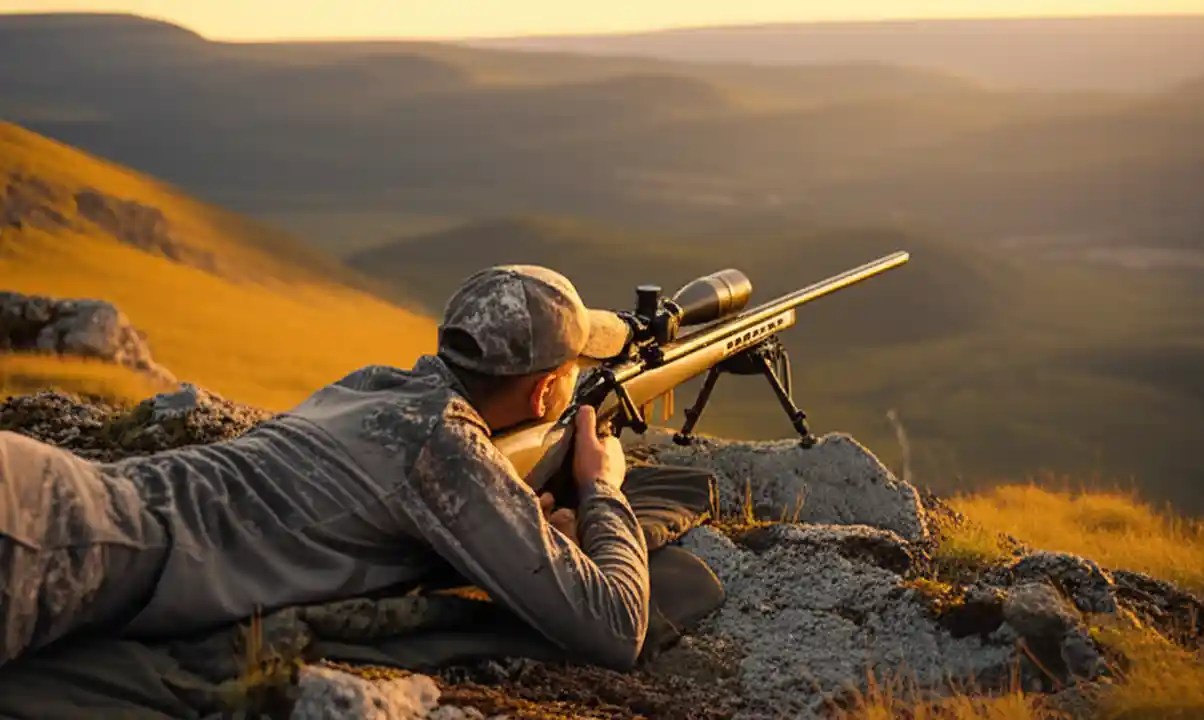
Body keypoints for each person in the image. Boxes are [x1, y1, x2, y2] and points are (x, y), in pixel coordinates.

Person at [0, 265, 717, 671]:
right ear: (545, 392)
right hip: (50, 542)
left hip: (50, 490)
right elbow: (616, 626)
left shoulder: (370, 384)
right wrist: (601, 489)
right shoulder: (442, 449)